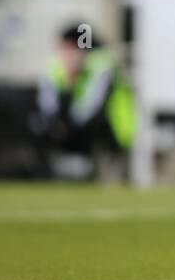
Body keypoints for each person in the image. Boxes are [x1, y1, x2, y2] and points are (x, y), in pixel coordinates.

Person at [31, 24, 136, 179]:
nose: (66, 55)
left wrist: (67, 127)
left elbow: (90, 108)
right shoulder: (56, 68)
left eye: (70, 49)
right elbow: (47, 104)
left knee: (93, 121)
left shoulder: (101, 66)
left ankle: (85, 166)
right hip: (71, 127)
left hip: (116, 130)